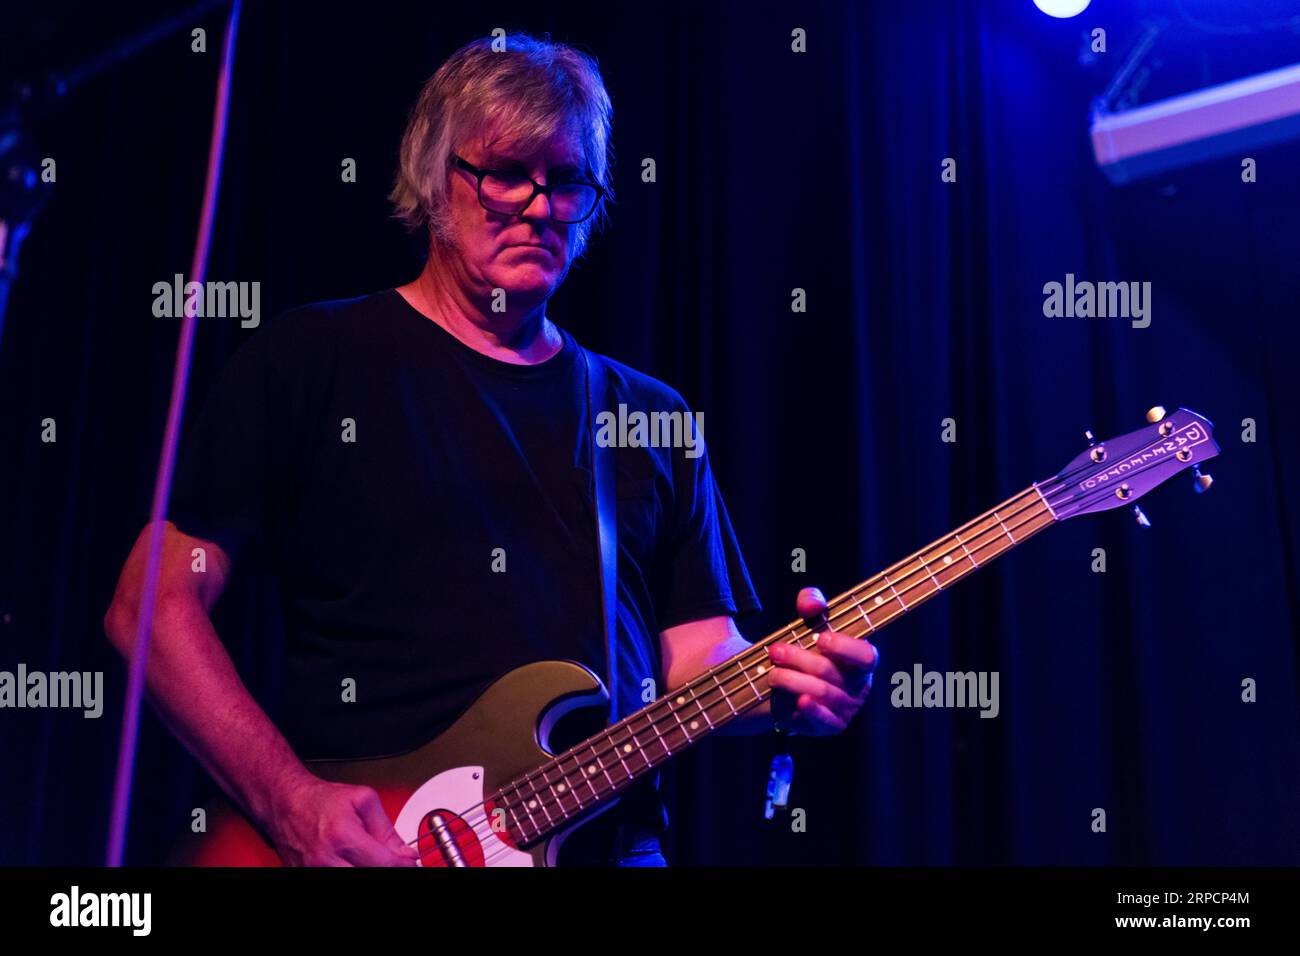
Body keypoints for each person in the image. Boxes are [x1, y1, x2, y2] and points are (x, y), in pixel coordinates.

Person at [104, 32, 878, 867]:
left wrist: (789, 687)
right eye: (508, 173)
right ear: (437, 182)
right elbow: (149, 608)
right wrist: (288, 801)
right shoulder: (311, 362)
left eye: (568, 181)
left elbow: (695, 659)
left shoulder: (649, 416)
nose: (541, 207)